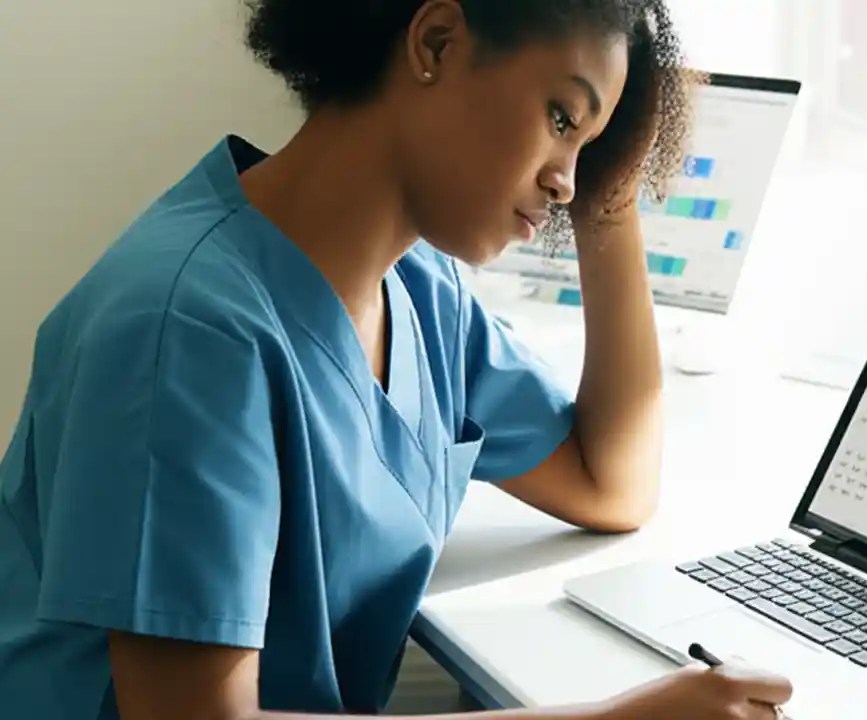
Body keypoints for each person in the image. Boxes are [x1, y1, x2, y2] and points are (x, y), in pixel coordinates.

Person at [0, 0, 795, 718]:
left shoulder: (420, 288)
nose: (565, 182)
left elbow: (610, 481)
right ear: (438, 42)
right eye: (561, 116)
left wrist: (606, 189)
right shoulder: (187, 329)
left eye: (587, 144)